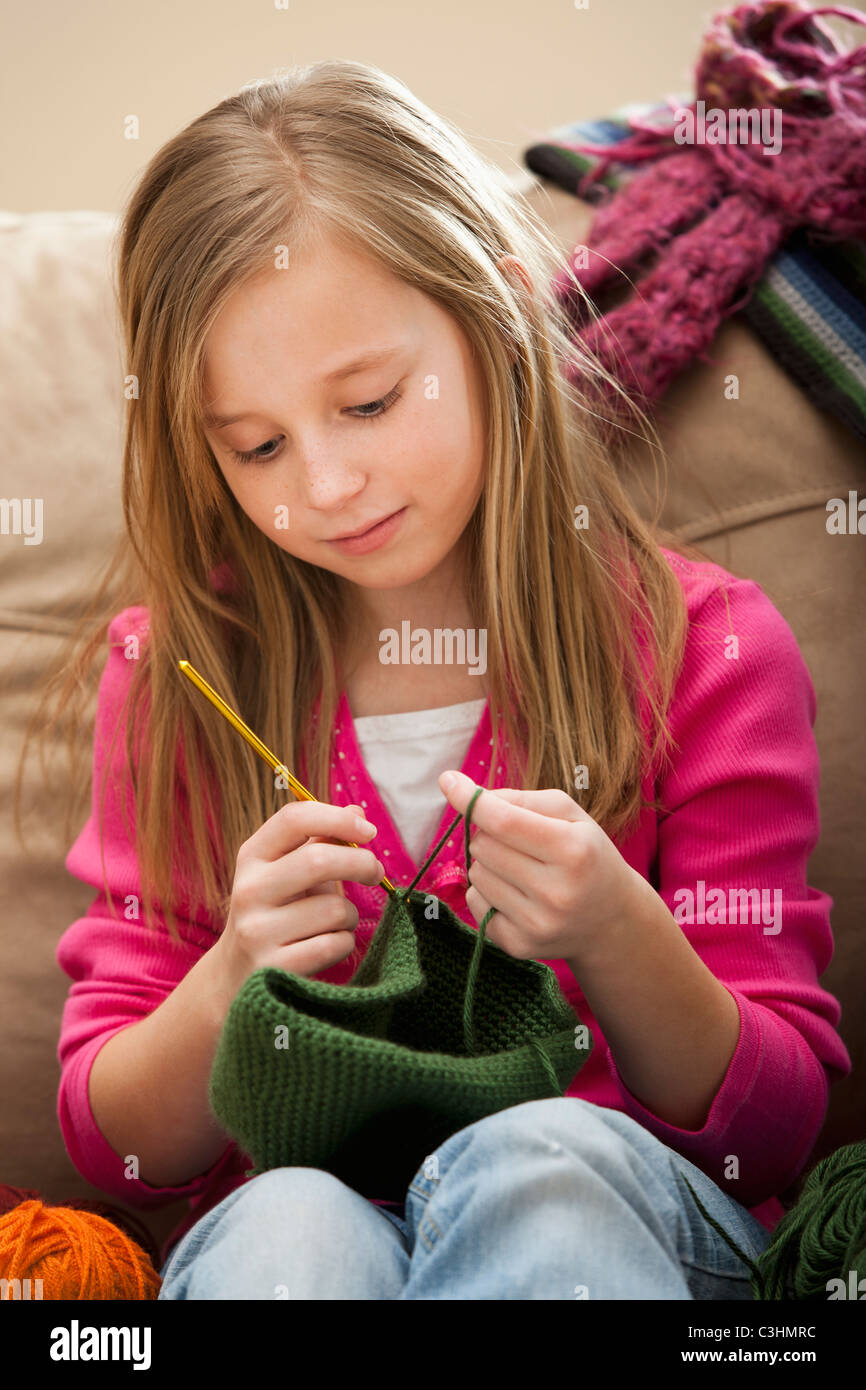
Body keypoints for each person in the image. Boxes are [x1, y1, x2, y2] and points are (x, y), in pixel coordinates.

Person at [31, 58, 850, 1299]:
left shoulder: (705, 650)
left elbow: (769, 1132)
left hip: (616, 1216)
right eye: (254, 446)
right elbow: (123, 1146)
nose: (322, 484)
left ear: (498, 318)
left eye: (367, 402)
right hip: (301, 1233)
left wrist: (618, 933)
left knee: (543, 1158)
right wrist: (227, 979)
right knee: (292, 1225)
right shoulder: (176, 676)